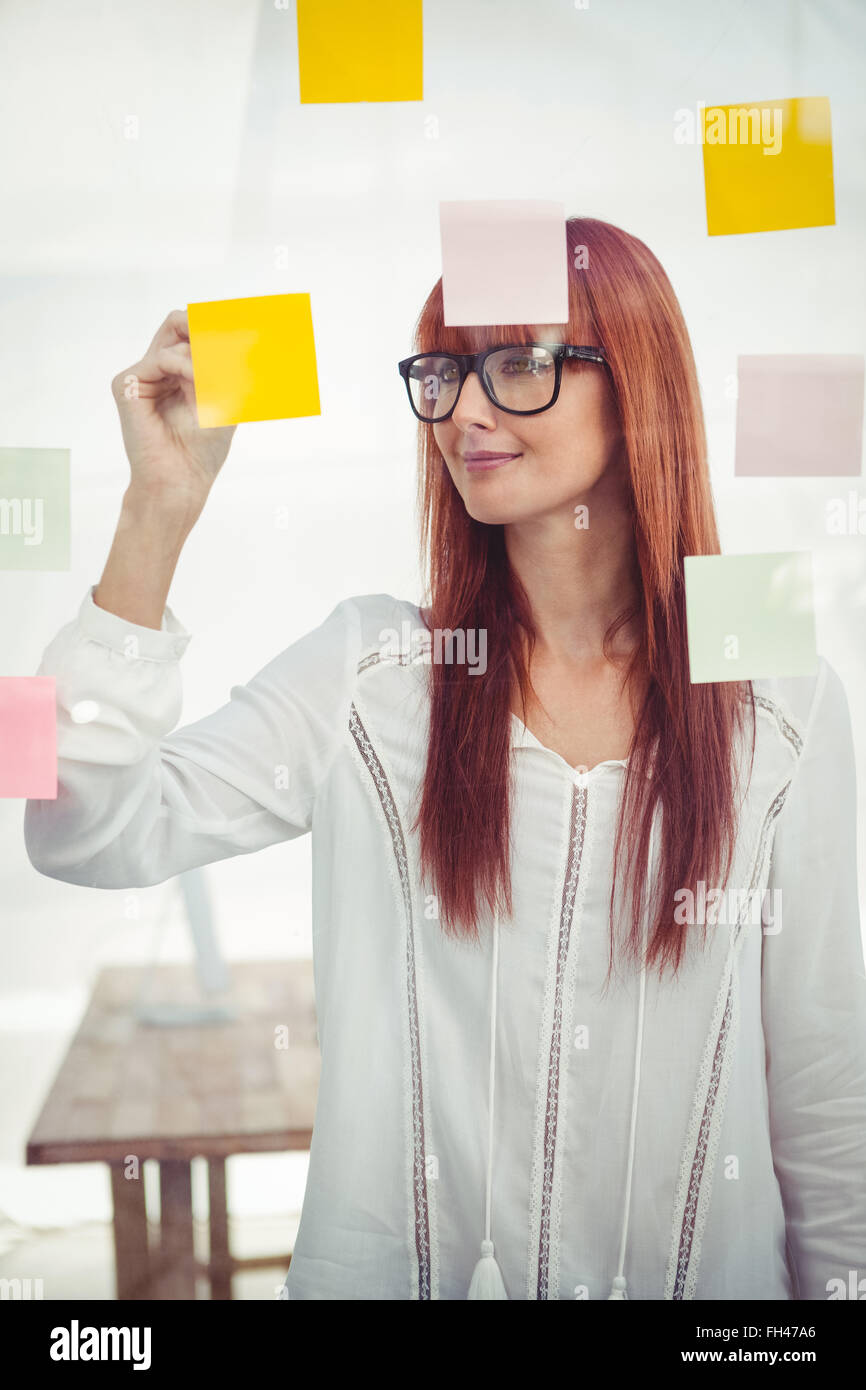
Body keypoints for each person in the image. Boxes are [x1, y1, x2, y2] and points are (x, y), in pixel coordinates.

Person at [24, 216, 866, 1300]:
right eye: (445, 373)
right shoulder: (369, 670)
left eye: (515, 365)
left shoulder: (776, 682)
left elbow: (824, 1083)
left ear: (638, 385)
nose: (463, 411)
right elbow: (78, 827)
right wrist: (156, 511)